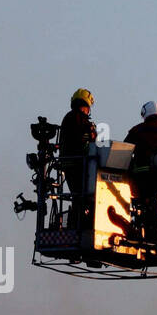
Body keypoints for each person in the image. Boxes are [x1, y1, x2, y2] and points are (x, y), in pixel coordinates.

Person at [123, 102, 157, 250]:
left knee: (145, 204)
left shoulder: (137, 130)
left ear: (145, 114)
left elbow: (124, 149)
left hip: (140, 176)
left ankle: (148, 233)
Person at [59, 89, 97, 229]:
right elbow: (89, 142)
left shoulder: (68, 118)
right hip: (79, 165)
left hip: (69, 164)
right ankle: (81, 224)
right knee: (84, 197)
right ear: (86, 106)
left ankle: (75, 223)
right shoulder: (80, 120)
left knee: (78, 197)